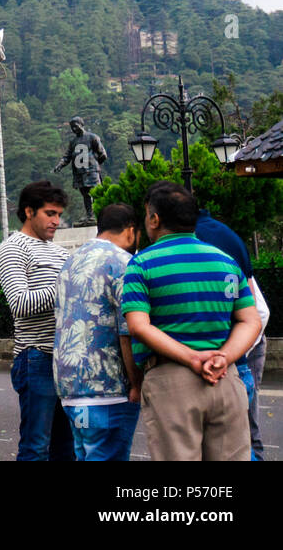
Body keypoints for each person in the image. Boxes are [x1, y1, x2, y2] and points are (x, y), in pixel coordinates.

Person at [122, 182, 258, 461]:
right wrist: (224, 357)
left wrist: (192, 358)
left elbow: (138, 325)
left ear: (154, 219)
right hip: (225, 378)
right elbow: (250, 320)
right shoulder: (226, 262)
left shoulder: (142, 264)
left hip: (171, 382)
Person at [53, 203, 141, 460]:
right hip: (108, 390)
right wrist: (135, 383)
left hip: (70, 390)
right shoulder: (124, 263)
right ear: (130, 231)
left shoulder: (71, 262)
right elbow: (127, 330)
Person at [0, 180, 73, 460]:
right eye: (50, 213)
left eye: (59, 214)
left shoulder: (62, 253)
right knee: (36, 448)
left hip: (66, 359)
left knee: (67, 448)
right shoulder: (12, 248)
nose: (56, 221)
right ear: (29, 211)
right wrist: (66, 286)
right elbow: (20, 303)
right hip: (36, 357)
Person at [194, 206, 271, 461]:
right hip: (243, 342)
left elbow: (255, 315)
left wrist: (226, 356)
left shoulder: (199, 241)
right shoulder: (227, 236)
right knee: (245, 426)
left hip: (243, 344)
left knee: (238, 432)